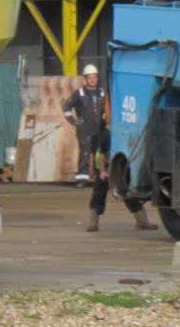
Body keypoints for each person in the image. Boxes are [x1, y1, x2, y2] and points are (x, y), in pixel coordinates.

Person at [63, 63, 155, 233]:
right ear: (85, 79)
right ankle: (93, 222)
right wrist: (103, 170)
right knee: (99, 191)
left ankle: (142, 222)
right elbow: (101, 154)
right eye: (89, 77)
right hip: (99, 155)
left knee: (127, 190)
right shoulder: (106, 132)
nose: (92, 80)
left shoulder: (103, 95)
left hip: (115, 164)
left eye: (94, 77)